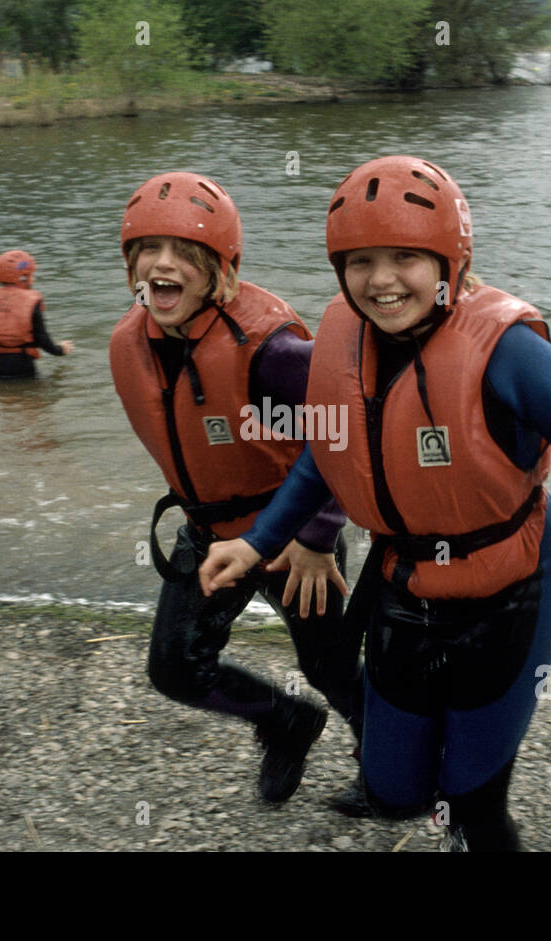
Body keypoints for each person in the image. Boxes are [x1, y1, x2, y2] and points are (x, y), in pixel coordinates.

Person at [200, 155, 551, 849]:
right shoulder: (341, 339)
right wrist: (260, 540)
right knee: (394, 792)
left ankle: (472, 820)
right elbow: (329, 452)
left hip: (507, 592)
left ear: (450, 260)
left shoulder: (509, 350)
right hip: (405, 585)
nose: (382, 279)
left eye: (404, 257)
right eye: (360, 260)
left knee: (474, 800)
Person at [108, 171, 364, 803]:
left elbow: (340, 432)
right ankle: (286, 721)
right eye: (147, 250)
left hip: (292, 535)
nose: (161, 266)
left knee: (330, 667)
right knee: (175, 671)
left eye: (185, 253)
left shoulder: (270, 350)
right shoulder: (129, 343)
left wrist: (318, 536)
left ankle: (392, 764)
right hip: (209, 533)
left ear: (220, 267)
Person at [0, 250, 73, 379]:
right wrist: (60, 350)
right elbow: (41, 338)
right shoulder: (31, 300)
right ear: (23, 276)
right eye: (31, 275)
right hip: (21, 365)